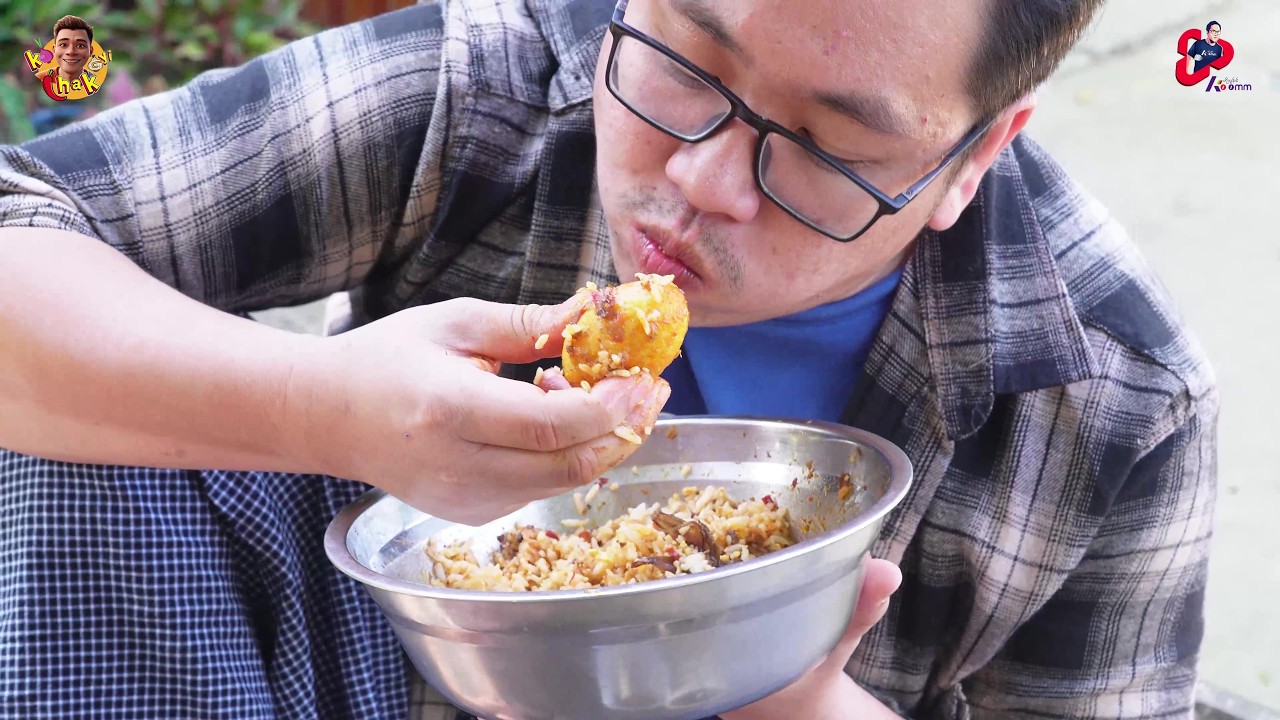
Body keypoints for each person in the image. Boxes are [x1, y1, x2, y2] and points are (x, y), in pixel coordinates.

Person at [0, 0, 1217, 718]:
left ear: (971, 157)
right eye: (689, 59)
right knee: (94, 410)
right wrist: (318, 408)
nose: (696, 182)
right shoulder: (484, 90)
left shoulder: (1113, 400)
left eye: (823, 146)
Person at [35, 15, 94, 88]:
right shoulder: (40, 79)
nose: (71, 52)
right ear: (54, 50)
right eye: (63, 45)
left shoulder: (95, 83)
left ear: (91, 51)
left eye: (80, 46)